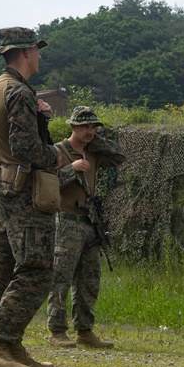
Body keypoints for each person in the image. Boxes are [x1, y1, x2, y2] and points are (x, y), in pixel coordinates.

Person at [0, 27, 64, 367]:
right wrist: (55, 153)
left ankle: (8, 345)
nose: (40, 56)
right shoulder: (18, 91)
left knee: (4, 269)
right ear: (25, 52)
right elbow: (27, 149)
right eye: (37, 51)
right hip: (23, 191)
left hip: (3, 188)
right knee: (37, 270)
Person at [46, 106, 125, 349]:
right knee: (61, 277)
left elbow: (119, 155)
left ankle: (85, 329)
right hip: (67, 222)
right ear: (72, 127)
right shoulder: (58, 151)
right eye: (84, 127)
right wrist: (72, 169)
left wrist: (94, 139)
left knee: (90, 279)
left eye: (93, 127)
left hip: (90, 224)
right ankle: (57, 330)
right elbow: (46, 183)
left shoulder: (94, 153)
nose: (89, 131)